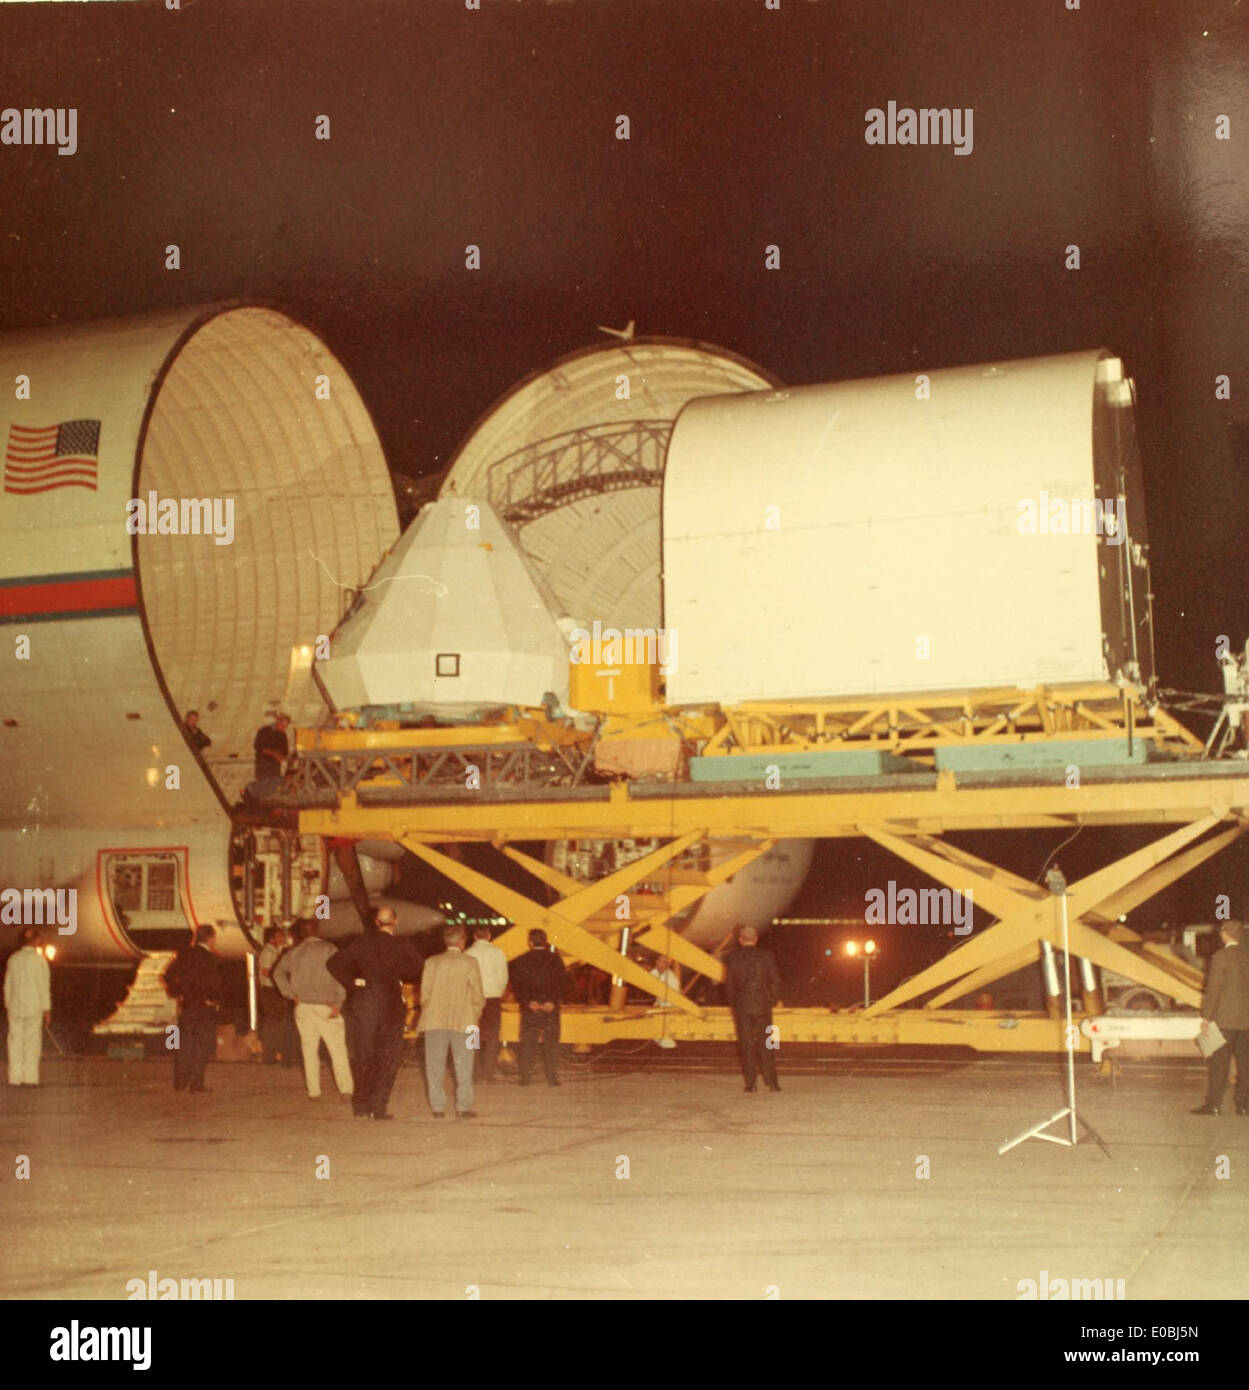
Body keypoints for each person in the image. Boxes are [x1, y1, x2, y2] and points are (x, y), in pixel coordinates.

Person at [327, 906, 421, 1120]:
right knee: (388, 1057)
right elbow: (418, 968)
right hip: (391, 1006)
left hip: (365, 1003)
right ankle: (379, 1107)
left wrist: (354, 983)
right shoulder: (402, 944)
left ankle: (360, 1105)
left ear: (376, 922)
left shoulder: (362, 942)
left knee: (364, 1055)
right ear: (394, 921)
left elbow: (333, 963)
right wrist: (397, 976)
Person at [273, 920, 354, 1102]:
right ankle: (346, 1090)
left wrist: (290, 994)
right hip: (326, 1006)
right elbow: (340, 975)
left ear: (301, 934)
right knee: (337, 1050)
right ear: (317, 931)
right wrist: (339, 1002)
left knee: (309, 1050)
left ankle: (314, 1092)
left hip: (303, 1007)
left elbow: (277, 973)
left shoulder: (293, 952)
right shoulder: (329, 949)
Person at [418, 924, 484, 1118]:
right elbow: (477, 995)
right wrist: (475, 1014)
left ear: (445, 941)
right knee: (464, 1065)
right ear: (462, 940)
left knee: (434, 1065)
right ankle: (463, 1107)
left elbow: (424, 995)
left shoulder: (431, 962)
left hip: (434, 1021)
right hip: (465, 1022)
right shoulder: (470, 962)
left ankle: (438, 1108)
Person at [1192, 919, 1249, 1116]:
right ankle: (1243, 1106)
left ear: (1225, 934)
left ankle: (1214, 1105)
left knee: (1219, 1066)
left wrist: (1206, 1019)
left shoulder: (1222, 957)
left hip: (1225, 1021)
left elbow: (1214, 990)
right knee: (1246, 1066)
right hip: (1247, 1023)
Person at [164, 925, 223, 1093]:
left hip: (187, 1005)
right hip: (204, 1006)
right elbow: (215, 983)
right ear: (210, 938)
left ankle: (180, 1082)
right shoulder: (211, 958)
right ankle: (197, 1083)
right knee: (202, 1046)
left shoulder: (185, 955)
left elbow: (167, 975)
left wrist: (177, 992)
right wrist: (214, 999)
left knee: (184, 1045)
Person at [725, 926, 782, 1093]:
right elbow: (775, 980)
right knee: (767, 1043)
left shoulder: (733, 957)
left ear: (740, 939)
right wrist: (771, 1001)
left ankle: (751, 1084)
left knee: (746, 1045)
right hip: (763, 1005)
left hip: (743, 1006)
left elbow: (729, 986)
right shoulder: (767, 956)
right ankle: (772, 1082)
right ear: (756, 938)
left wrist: (735, 1004)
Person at [509, 928, 566, 1087]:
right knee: (551, 1044)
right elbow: (562, 983)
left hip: (530, 1007)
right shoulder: (555, 959)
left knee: (528, 1043)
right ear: (545, 941)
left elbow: (517, 985)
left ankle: (526, 1078)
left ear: (530, 942)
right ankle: (552, 1078)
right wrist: (552, 1002)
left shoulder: (522, 960)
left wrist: (528, 1002)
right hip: (550, 1008)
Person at [4, 927, 51, 1087]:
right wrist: (47, 1009)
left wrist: (8, 1004)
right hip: (33, 1007)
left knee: (14, 1041)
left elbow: (7, 986)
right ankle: (29, 1078)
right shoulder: (40, 961)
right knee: (31, 1042)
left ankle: (14, 1077)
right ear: (36, 941)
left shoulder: (13, 959)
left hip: (15, 1006)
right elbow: (43, 986)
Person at [465, 924, 508, 1081]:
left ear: (474, 936)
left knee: (472, 1035)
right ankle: (488, 1073)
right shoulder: (498, 952)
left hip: (472, 1000)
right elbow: (503, 976)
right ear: (489, 936)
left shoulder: (468, 953)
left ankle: (473, 1072)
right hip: (492, 999)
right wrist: (499, 991)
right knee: (492, 1037)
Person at [256, 926, 296, 1065]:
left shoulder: (276, 952)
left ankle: (275, 1054)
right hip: (270, 991)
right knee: (273, 1024)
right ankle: (269, 1055)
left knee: (278, 1024)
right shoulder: (268, 953)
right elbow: (268, 972)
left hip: (274, 991)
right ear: (272, 938)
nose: (282, 939)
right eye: (279, 936)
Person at [649, 954, 681, 1049]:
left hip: (669, 1004)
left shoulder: (671, 978)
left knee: (662, 1031)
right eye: (659, 960)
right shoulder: (654, 972)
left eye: (664, 962)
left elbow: (675, 997)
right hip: (659, 1004)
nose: (660, 964)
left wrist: (661, 1006)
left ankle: (667, 1044)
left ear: (667, 965)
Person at [253, 713, 291, 781]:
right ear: (278, 722)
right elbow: (258, 747)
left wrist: (283, 757)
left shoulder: (283, 735)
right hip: (263, 766)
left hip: (275, 768)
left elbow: (285, 751)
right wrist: (275, 754)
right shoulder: (264, 731)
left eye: (285, 727)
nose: (284, 729)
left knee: (274, 786)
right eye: (283, 726)